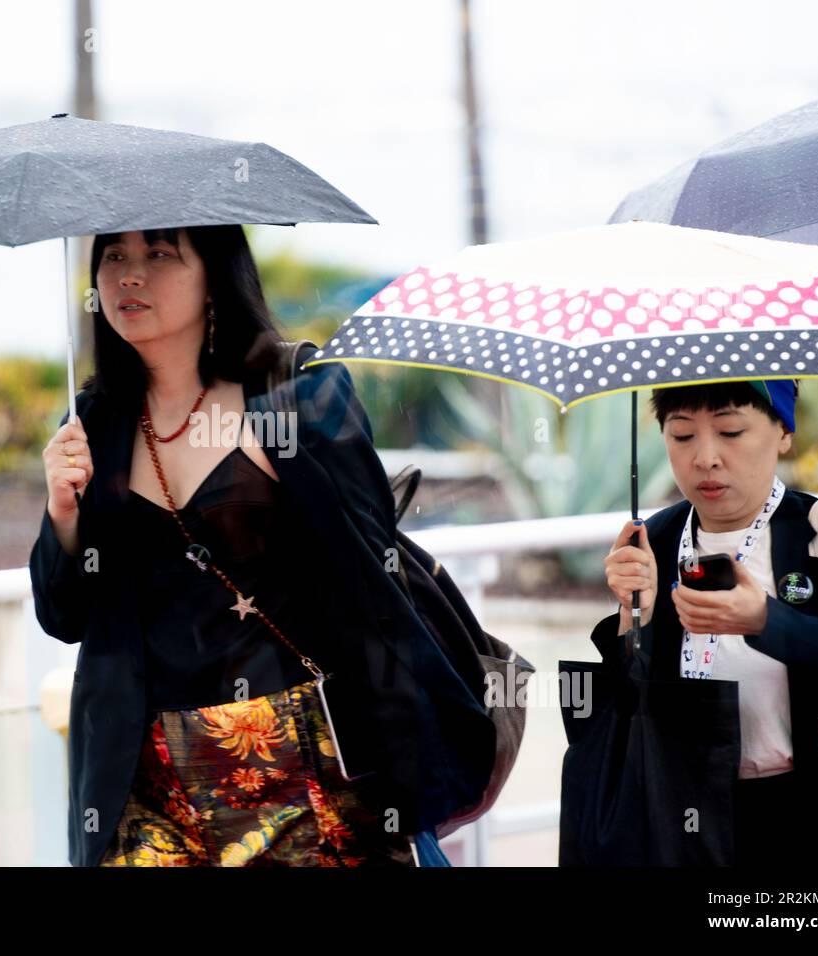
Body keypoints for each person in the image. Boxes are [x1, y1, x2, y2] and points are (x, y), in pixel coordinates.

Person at [28, 225, 494, 867]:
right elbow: (63, 615)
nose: (129, 275)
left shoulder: (297, 390)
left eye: (160, 254)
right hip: (148, 783)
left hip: (303, 770)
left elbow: (374, 579)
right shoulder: (91, 426)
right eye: (114, 257)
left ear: (214, 273)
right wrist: (62, 513)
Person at [594, 379, 818, 866]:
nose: (705, 457)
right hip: (685, 817)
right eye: (682, 435)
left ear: (783, 431)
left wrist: (770, 624)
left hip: (813, 819)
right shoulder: (656, 541)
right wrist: (635, 619)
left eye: (731, 431)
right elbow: (619, 717)